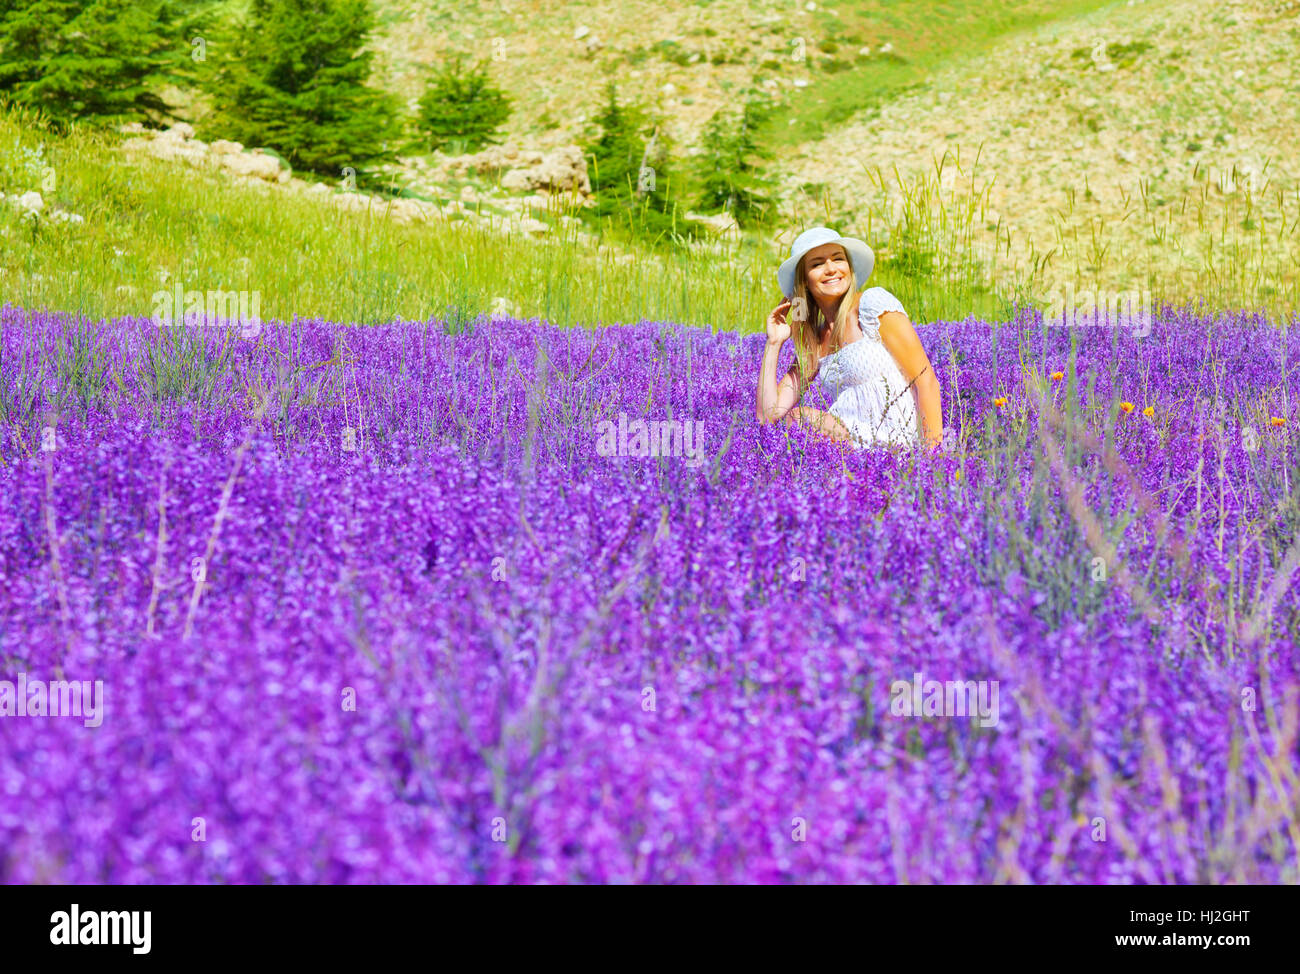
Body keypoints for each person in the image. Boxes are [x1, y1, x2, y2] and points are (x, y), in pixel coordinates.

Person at [756, 226, 943, 451]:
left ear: (849, 267)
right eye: (817, 264)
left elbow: (926, 381)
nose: (831, 269)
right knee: (797, 419)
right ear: (804, 280)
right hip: (852, 450)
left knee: (801, 417)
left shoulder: (872, 305)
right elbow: (768, 415)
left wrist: (933, 458)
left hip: (900, 441)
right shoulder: (814, 342)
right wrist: (774, 343)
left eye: (838, 259)